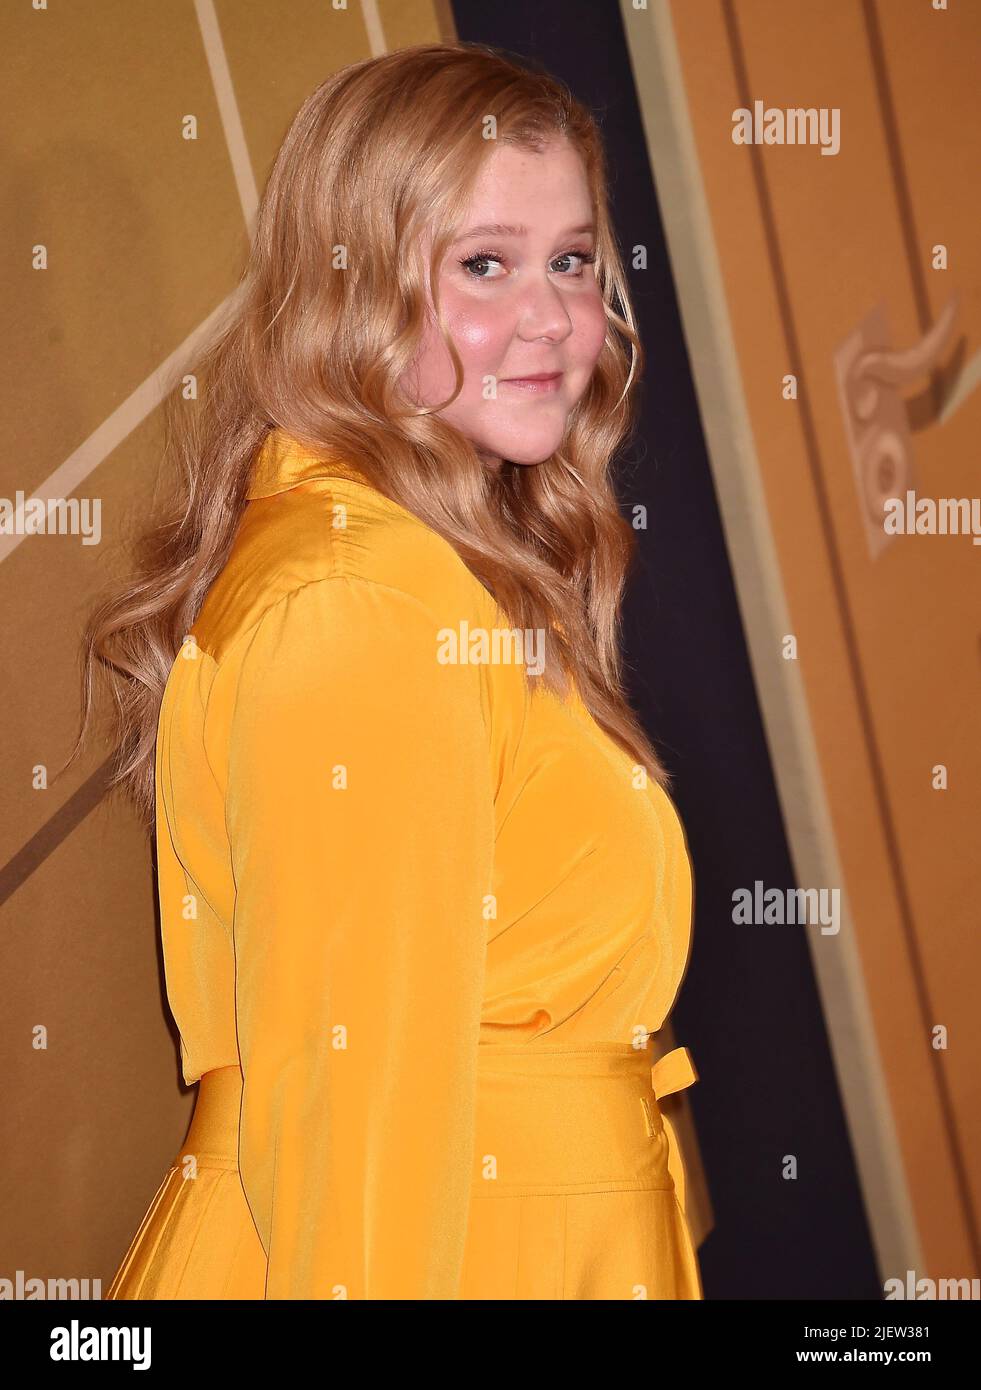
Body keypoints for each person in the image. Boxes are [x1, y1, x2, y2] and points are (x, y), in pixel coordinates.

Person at [70, 40, 702, 1300]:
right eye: (484, 263)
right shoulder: (357, 605)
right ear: (352, 285)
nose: (550, 318)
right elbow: (352, 1146)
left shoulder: (435, 563)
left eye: (571, 260)